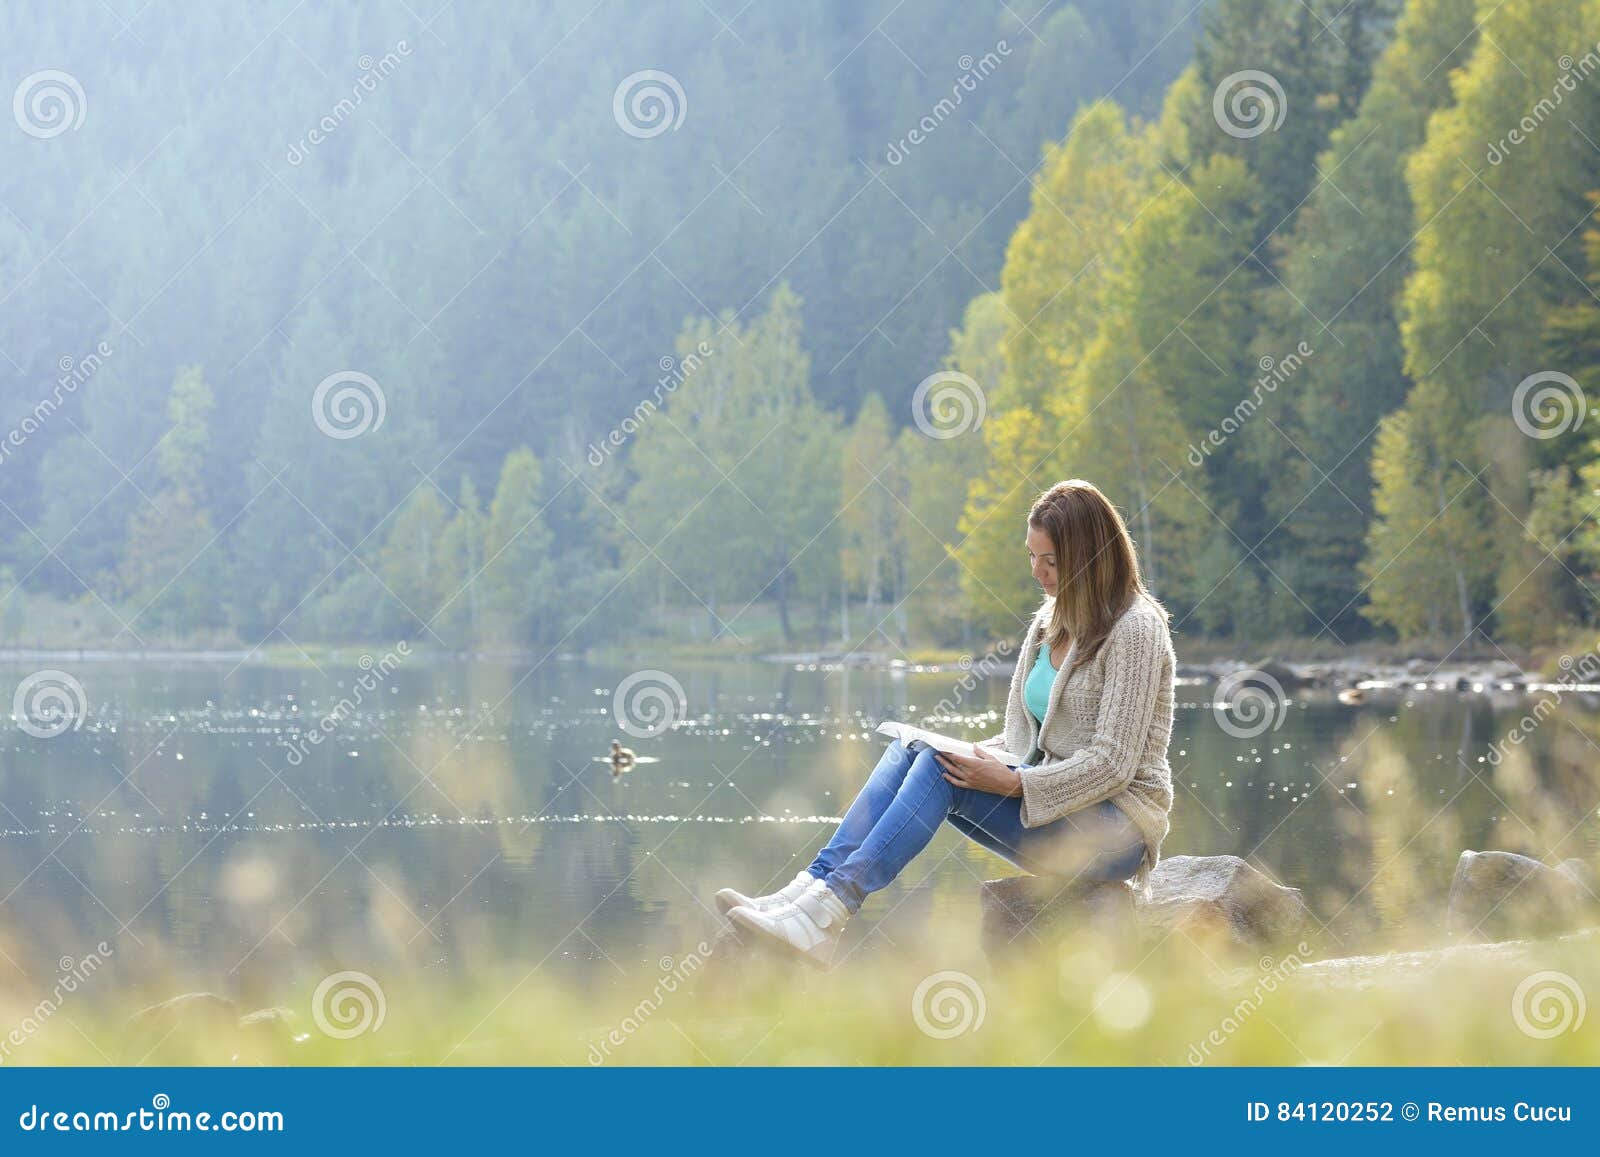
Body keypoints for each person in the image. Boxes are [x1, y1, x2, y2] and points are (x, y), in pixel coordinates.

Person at [716, 479, 1176, 967]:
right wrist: (977, 755)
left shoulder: (1136, 629)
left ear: (1089, 556)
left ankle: (826, 915)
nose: (1036, 572)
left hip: (1115, 831)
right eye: (1032, 555)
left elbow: (1113, 764)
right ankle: (806, 893)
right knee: (914, 751)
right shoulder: (1050, 621)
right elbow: (1024, 737)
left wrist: (1016, 783)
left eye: (1052, 561)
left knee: (939, 771)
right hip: (1053, 805)